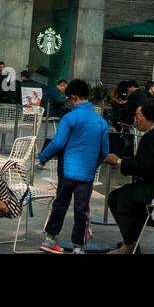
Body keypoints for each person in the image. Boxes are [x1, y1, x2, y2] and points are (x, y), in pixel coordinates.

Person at [103, 101, 154, 254]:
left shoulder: (152, 137)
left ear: (148, 117)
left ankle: (130, 245)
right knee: (131, 194)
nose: (135, 119)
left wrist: (118, 161)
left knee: (117, 198)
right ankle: (132, 239)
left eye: (138, 115)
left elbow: (144, 168)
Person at [36, 79, 110, 253]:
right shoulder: (101, 122)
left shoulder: (69, 117)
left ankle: (50, 239)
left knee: (60, 204)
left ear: (74, 97)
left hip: (67, 169)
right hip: (87, 173)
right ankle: (78, 247)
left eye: (69, 99)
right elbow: (104, 151)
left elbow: (58, 143)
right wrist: (94, 165)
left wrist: (43, 157)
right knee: (82, 209)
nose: (68, 102)